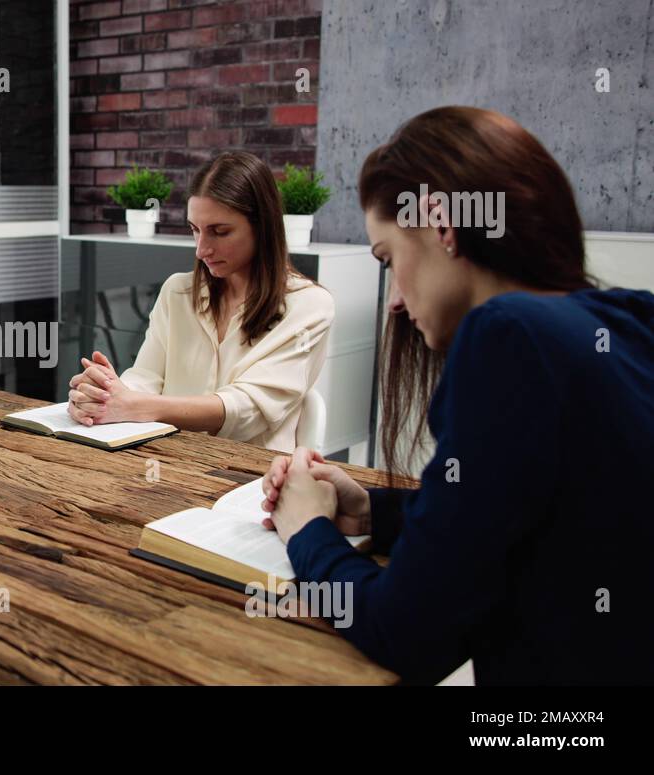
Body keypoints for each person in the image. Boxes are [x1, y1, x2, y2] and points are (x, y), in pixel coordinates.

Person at [259, 106, 654, 685]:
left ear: (443, 224)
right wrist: (372, 509)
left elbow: (406, 631)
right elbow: (548, 514)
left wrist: (305, 531)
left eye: (389, 259)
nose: (393, 300)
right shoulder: (631, 319)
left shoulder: (509, 335)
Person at [67, 151, 334, 453]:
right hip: (170, 463)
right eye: (195, 230)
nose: (201, 249)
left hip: (254, 480)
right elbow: (145, 378)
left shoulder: (308, 306)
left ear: (263, 226)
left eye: (219, 232)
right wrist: (103, 394)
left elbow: (248, 410)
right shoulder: (177, 292)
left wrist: (135, 405)